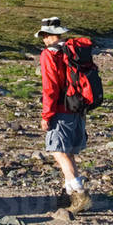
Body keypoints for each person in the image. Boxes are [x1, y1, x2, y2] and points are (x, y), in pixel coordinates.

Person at [36, 16, 91, 213]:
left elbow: (50, 87)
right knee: (66, 152)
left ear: (51, 36)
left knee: (58, 151)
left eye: (44, 35)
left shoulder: (49, 55)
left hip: (60, 109)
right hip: (77, 107)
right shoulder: (72, 52)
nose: (43, 39)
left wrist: (46, 115)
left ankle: (80, 194)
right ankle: (69, 195)